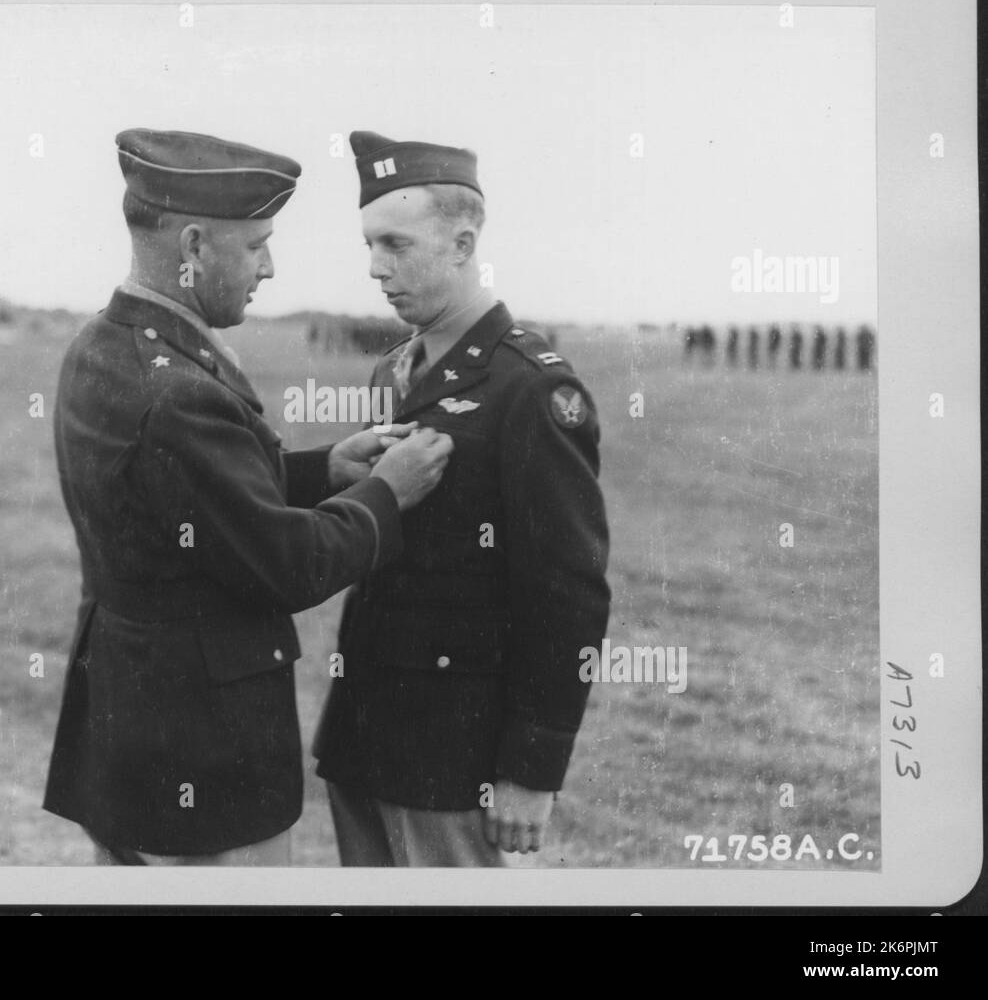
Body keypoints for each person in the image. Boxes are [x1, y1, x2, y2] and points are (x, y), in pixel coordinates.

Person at [44, 128, 453, 866]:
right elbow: (286, 564)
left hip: (126, 727)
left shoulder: (103, 347)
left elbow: (180, 500)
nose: (270, 266)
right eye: (257, 244)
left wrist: (326, 469)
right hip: (202, 751)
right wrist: (386, 494)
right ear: (195, 246)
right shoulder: (177, 392)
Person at [313, 131, 612, 866]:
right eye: (369, 246)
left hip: (456, 758)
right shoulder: (394, 369)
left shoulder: (530, 387)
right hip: (365, 734)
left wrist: (530, 771)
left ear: (462, 242)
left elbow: (569, 589)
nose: (377, 269)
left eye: (395, 244)